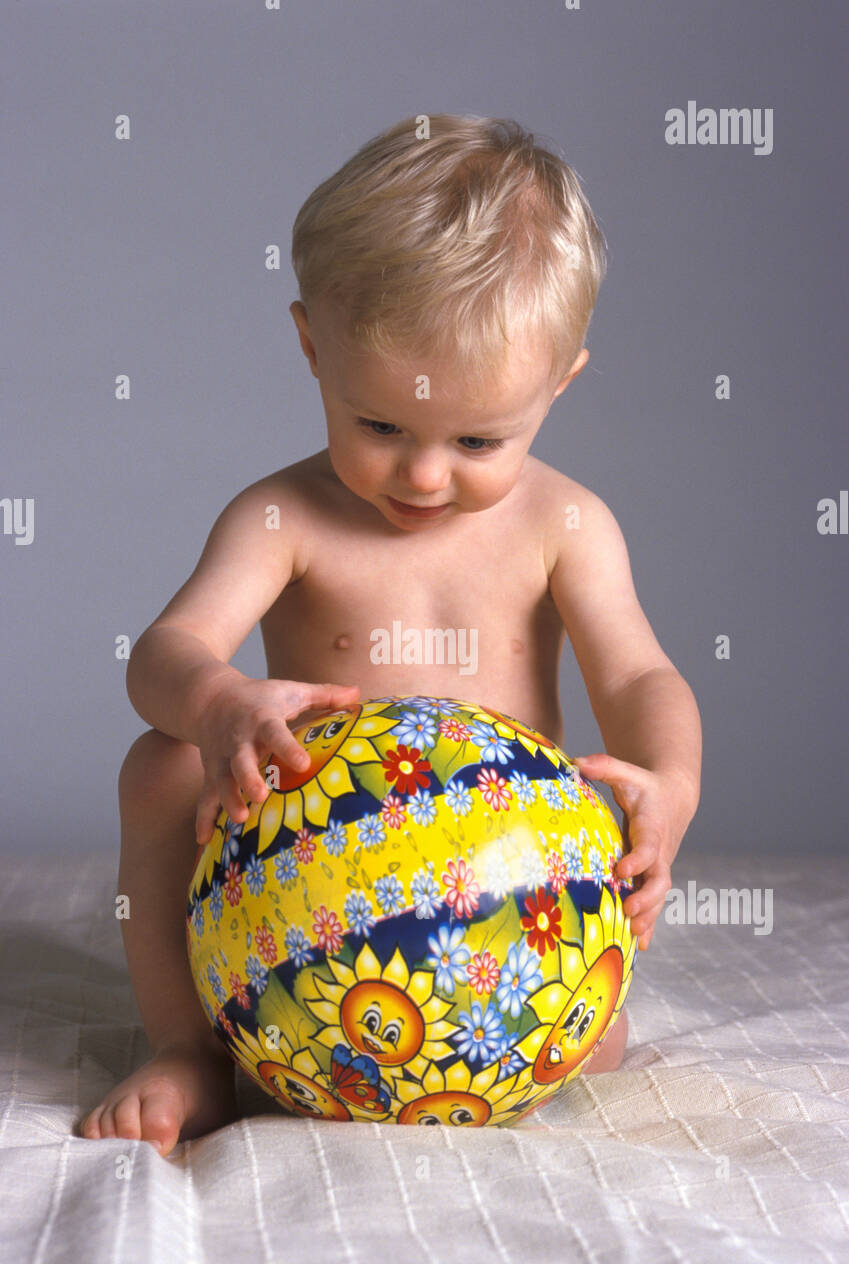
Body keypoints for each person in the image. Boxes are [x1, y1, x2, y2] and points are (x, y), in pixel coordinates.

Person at [80, 114, 701, 1155]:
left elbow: (641, 674)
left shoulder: (567, 524)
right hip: (305, 876)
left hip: (509, 880)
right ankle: (190, 1047)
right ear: (312, 345)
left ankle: (540, 1024)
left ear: (559, 383)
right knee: (159, 766)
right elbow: (163, 653)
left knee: (612, 811)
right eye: (379, 425)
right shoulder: (282, 519)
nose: (422, 475)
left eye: (475, 440)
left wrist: (672, 783)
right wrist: (222, 703)